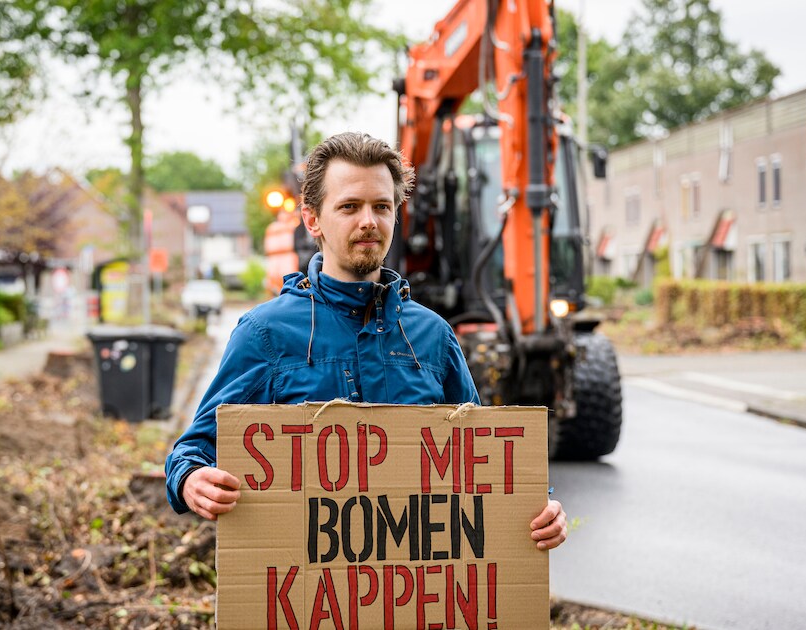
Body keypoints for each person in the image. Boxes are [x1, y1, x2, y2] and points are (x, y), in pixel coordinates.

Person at [165, 132, 567, 552]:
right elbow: (194, 450)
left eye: (382, 206)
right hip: (308, 602)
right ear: (312, 220)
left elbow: (484, 462)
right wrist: (192, 481)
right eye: (349, 207)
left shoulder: (433, 337)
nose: (368, 221)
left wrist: (540, 507)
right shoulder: (266, 335)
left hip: (415, 601)